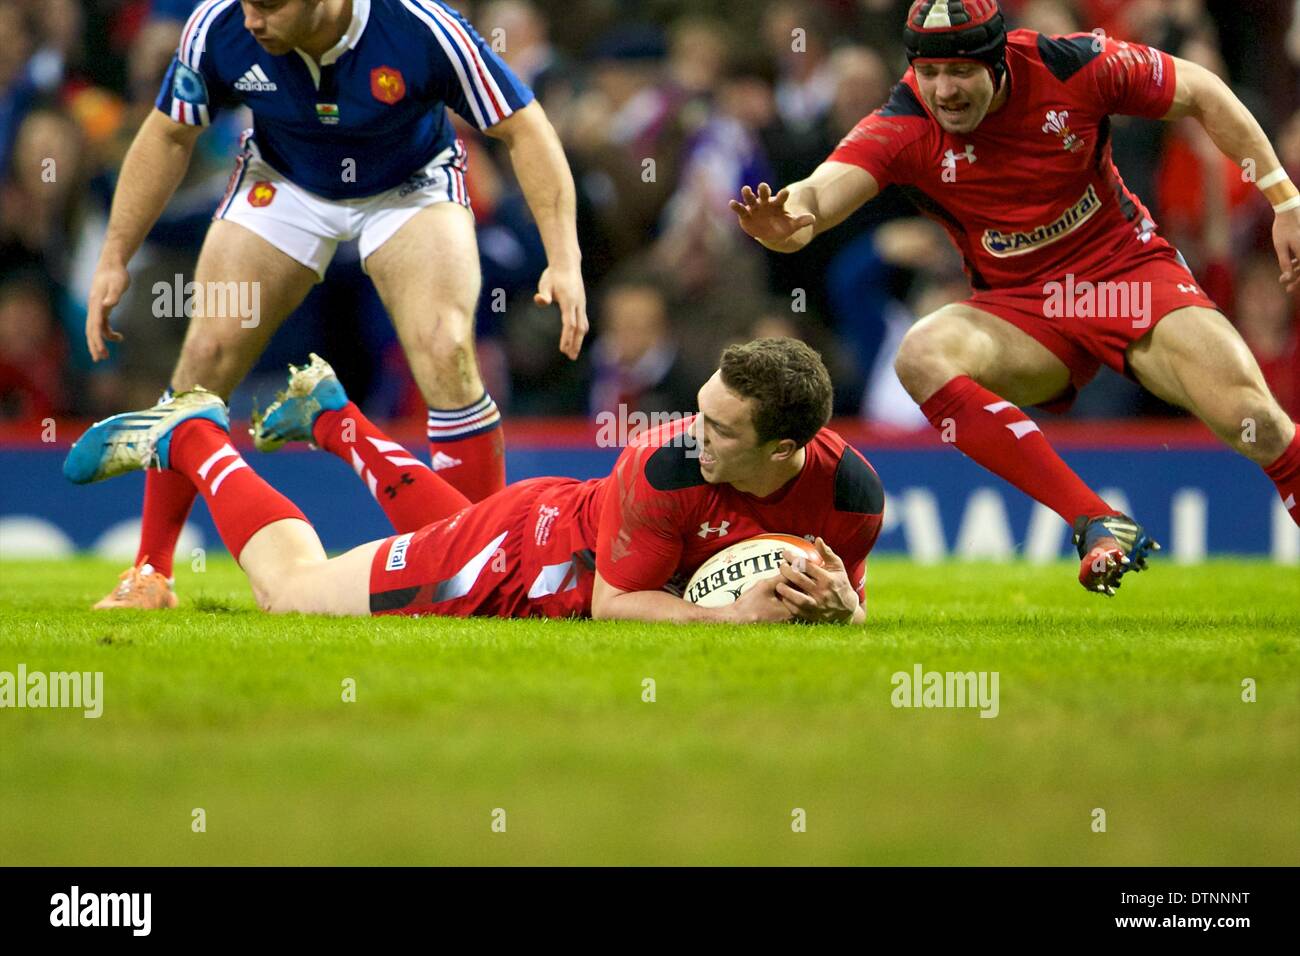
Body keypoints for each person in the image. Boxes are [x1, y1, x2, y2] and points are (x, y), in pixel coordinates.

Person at [730, 0, 1300, 595]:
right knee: (920, 353)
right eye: (929, 73)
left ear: (998, 61)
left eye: (960, 72)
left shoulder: (1071, 65)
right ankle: (1095, 520)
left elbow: (1203, 90)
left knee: (1256, 422)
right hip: (1025, 311)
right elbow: (822, 191)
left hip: (1127, 276)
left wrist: (1284, 200)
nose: (944, 90)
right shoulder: (904, 123)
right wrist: (790, 217)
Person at [83, 0, 587, 608]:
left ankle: (485, 567)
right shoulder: (217, 27)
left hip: (409, 185)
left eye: (269, 5)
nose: (251, 20)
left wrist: (564, 260)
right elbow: (169, 132)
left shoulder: (421, 28)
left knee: (444, 346)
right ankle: (149, 573)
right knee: (206, 354)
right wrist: (114, 255)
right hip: (284, 182)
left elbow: (523, 125)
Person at [64, 338, 884, 624]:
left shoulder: (853, 497)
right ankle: (198, 438)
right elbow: (616, 605)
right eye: (698, 412)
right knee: (291, 591)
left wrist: (845, 610)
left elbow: (846, 594)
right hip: (518, 561)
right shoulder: (665, 467)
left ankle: (334, 419)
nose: (690, 433)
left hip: (547, 532)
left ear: (787, 452)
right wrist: (737, 621)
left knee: (444, 523)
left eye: (720, 429)